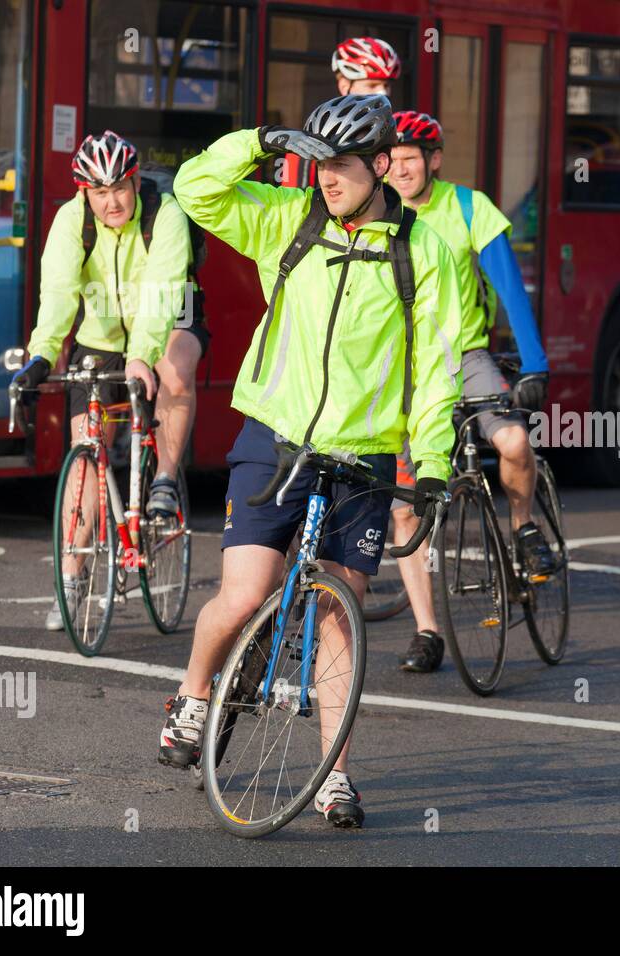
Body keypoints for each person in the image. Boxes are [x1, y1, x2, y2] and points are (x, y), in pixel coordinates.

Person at [157, 95, 464, 827]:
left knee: (338, 612)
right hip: (275, 434)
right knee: (243, 594)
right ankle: (194, 699)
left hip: (361, 451)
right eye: (319, 162)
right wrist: (260, 141)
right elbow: (195, 189)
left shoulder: (425, 251)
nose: (326, 178)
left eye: (344, 166)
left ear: (383, 166)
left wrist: (430, 468)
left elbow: (440, 368)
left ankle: (334, 778)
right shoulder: (287, 219)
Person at [11, 130, 206, 631]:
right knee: (84, 460)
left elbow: (164, 292)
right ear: (83, 193)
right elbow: (57, 295)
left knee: (175, 368)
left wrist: (142, 354)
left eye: (120, 187)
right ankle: (71, 580)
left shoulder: (165, 214)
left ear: (135, 180)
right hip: (100, 336)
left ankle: (162, 480)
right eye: (100, 193)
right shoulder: (70, 222)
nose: (113, 201)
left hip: (168, 318)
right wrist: (40, 357)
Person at [384, 110, 553, 673]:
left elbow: (509, 286)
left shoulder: (466, 207)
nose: (402, 169)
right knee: (405, 505)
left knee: (512, 444)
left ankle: (524, 526)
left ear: (434, 160)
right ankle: (427, 630)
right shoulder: (375, 209)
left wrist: (533, 363)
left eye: (413, 158)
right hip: (402, 370)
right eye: (394, 159)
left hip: (466, 358)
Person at [280, 36, 402, 189]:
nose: (383, 93)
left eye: (386, 85)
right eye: (372, 85)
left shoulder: (397, 134)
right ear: (345, 86)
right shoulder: (310, 139)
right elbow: (296, 205)